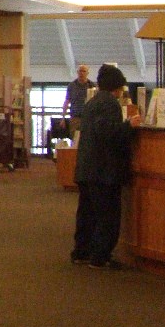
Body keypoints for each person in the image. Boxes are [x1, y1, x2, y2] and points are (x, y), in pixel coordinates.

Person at [72, 63, 142, 268]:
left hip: (86, 167)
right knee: (107, 215)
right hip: (103, 170)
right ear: (117, 88)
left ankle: (81, 251)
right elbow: (108, 134)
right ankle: (100, 255)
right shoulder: (110, 104)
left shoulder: (91, 102)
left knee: (87, 213)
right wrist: (129, 125)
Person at [63, 64, 92, 132]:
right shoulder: (71, 86)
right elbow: (67, 101)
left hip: (88, 118)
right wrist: (63, 117)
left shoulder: (91, 85)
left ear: (87, 73)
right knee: (74, 138)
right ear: (77, 72)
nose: (81, 73)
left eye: (84, 71)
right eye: (80, 71)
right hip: (75, 118)